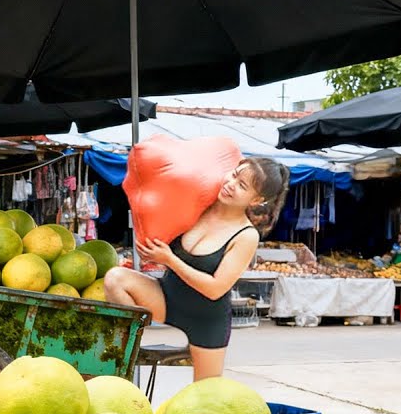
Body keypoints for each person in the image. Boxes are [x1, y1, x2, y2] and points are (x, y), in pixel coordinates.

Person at [104, 157, 290, 381]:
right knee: (116, 278)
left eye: (242, 186)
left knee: (205, 402)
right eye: (234, 175)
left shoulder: (246, 235)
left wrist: (170, 260)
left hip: (206, 321)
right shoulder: (200, 206)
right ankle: (132, 345)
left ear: (257, 199)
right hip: (166, 299)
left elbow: (215, 289)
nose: (231, 184)